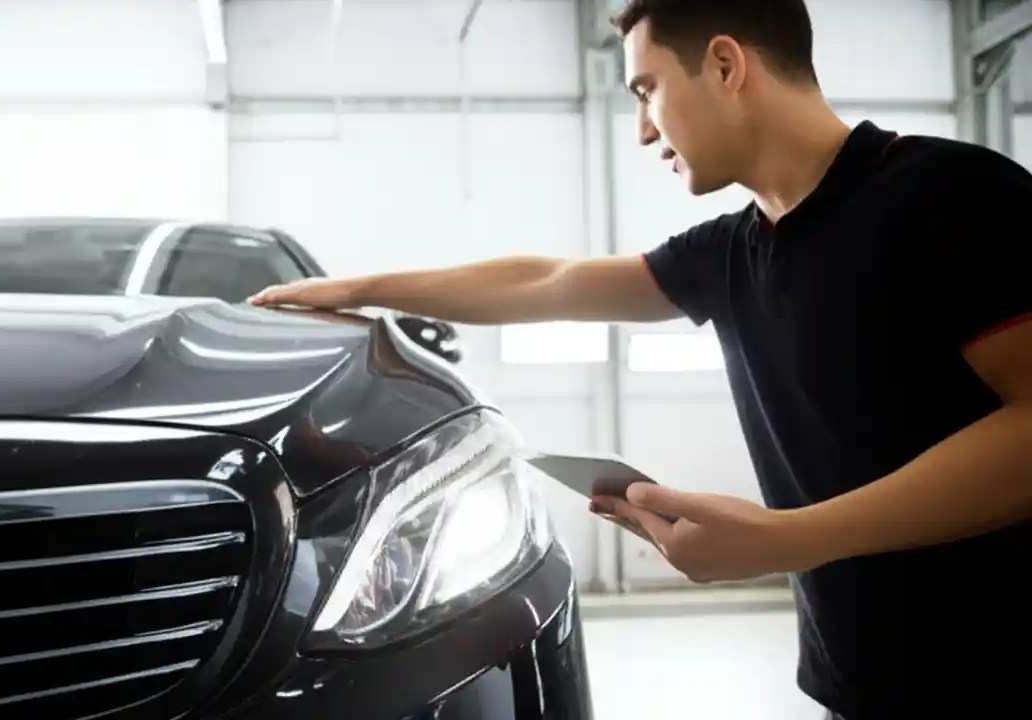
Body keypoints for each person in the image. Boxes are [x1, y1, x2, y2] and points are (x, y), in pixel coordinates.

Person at [249, 0, 1032, 716]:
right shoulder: (733, 252)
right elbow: (546, 280)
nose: (644, 132)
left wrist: (791, 537)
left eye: (646, 90)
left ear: (724, 65)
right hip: (857, 683)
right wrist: (360, 289)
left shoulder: (952, 195)